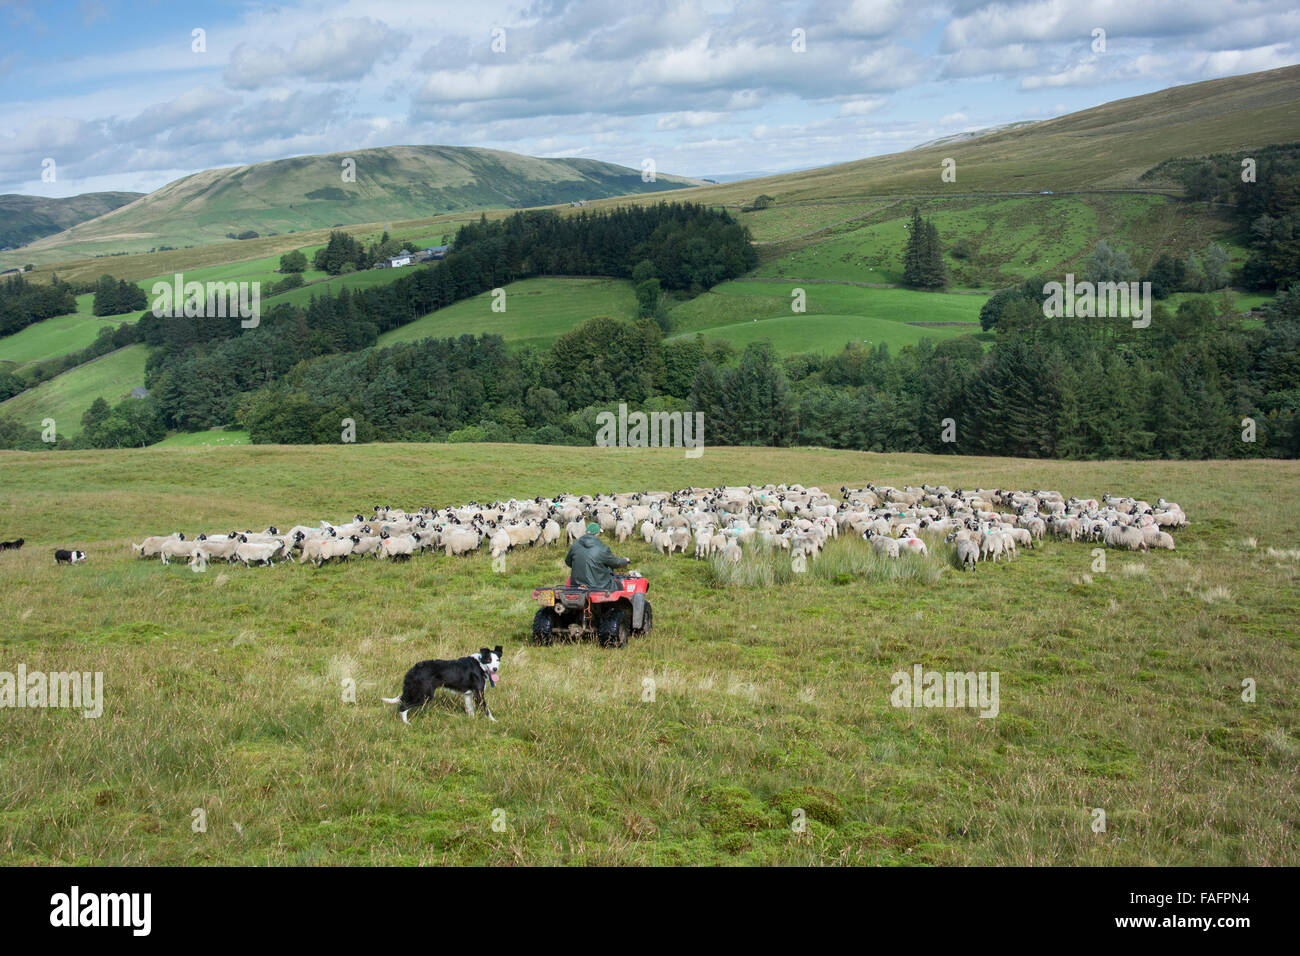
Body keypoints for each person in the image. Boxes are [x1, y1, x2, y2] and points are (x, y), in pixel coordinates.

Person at [565, 521, 631, 589]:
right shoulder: (602, 549)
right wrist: (625, 560)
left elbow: (568, 562)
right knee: (619, 585)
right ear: (598, 534)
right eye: (600, 533)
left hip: (576, 585)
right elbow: (615, 562)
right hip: (598, 586)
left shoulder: (575, 546)